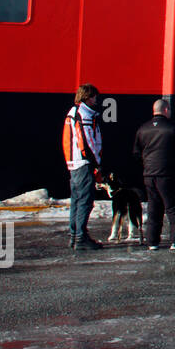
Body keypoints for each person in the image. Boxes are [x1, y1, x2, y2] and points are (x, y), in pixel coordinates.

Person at [132, 98, 175, 251]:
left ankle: (152, 241)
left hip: (149, 175)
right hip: (168, 174)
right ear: (166, 110)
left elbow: (136, 153)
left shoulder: (143, 129)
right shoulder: (173, 128)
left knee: (154, 209)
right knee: (174, 209)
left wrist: (147, 166)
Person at [63, 83, 104, 250]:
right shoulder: (84, 114)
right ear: (87, 97)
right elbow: (87, 140)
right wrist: (97, 163)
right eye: (94, 96)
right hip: (83, 163)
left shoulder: (72, 112)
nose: (96, 100)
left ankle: (75, 236)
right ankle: (80, 238)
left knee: (76, 200)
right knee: (85, 201)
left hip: (74, 164)